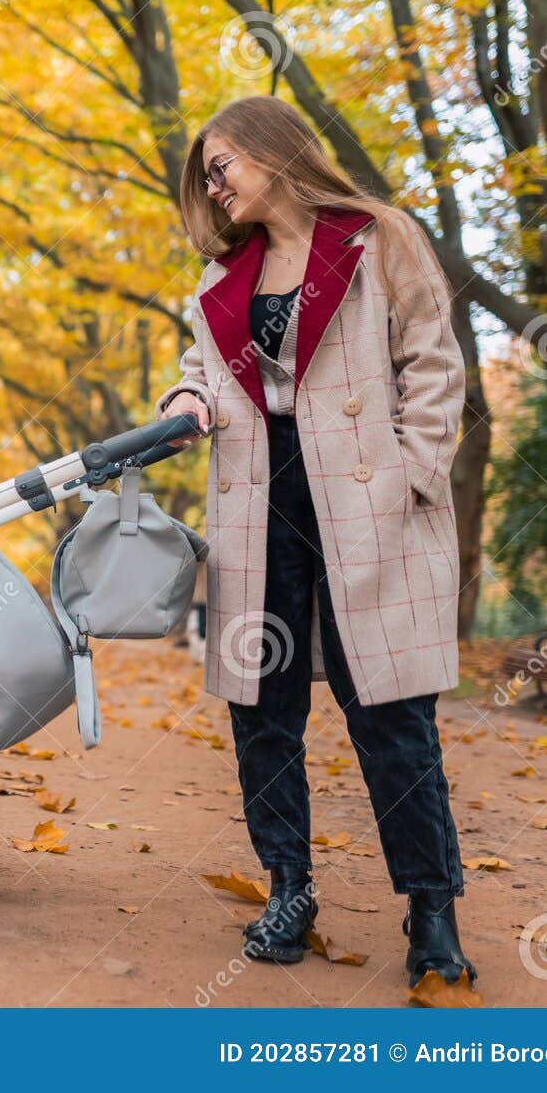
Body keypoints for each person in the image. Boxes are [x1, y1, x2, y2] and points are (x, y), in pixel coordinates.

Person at [156, 95, 473, 987]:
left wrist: (414, 472)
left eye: (221, 166)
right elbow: (206, 377)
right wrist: (185, 403)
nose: (212, 189)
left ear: (271, 149)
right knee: (262, 705)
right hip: (259, 499)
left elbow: (434, 360)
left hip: (368, 492)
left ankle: (431, 909)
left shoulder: (381, 238)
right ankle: (288, 890)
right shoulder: (221, 281)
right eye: (204, 177)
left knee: (391, 713)